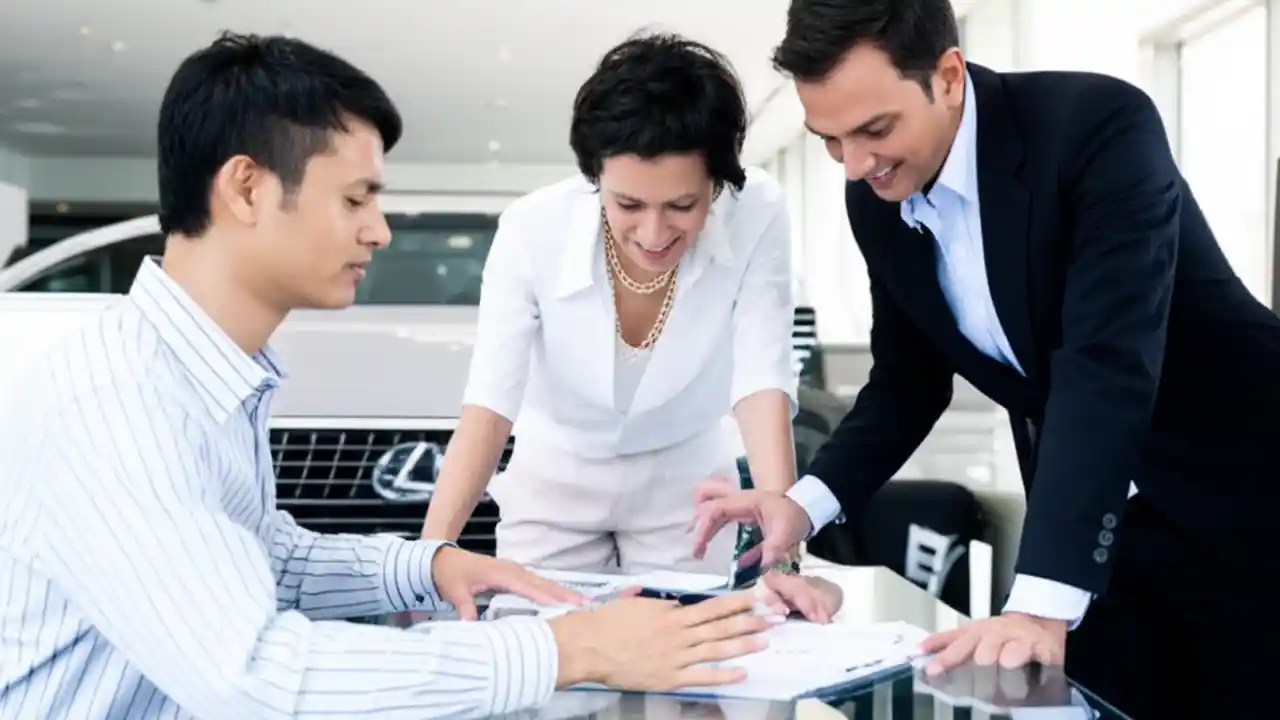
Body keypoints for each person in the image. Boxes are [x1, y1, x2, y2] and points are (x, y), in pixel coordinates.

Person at [0, 32, 837, 720]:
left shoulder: (202, 377)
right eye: (358, 199)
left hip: (680, 495)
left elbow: (263, 561)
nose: (382, 232)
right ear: (248, 188)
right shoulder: (117, 401)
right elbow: (257, 673)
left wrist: (426, 566)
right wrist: (567, 647)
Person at [689, 1, 1280, 717]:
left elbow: (1106, 362)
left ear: (947, 75)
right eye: (830, 140)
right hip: (1099, 529)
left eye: (875, 130)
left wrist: (1039, 603)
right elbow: (906, 383)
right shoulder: (879, 196)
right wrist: (803, 508)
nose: (855, 165)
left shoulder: (1098, 126)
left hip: (1242, 501)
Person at [421, 32, 803, 577]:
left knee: (687, 644)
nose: (653, 232)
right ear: (595, 176)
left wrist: (780, 553)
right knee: (544, 646)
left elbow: (762, 377)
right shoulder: (533, 229)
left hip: (686, 487)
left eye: (682, 205)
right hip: (555, 479)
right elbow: (490, 402)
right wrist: (428, 559)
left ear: (717, 183)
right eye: (627, 203)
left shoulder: (757, 211)